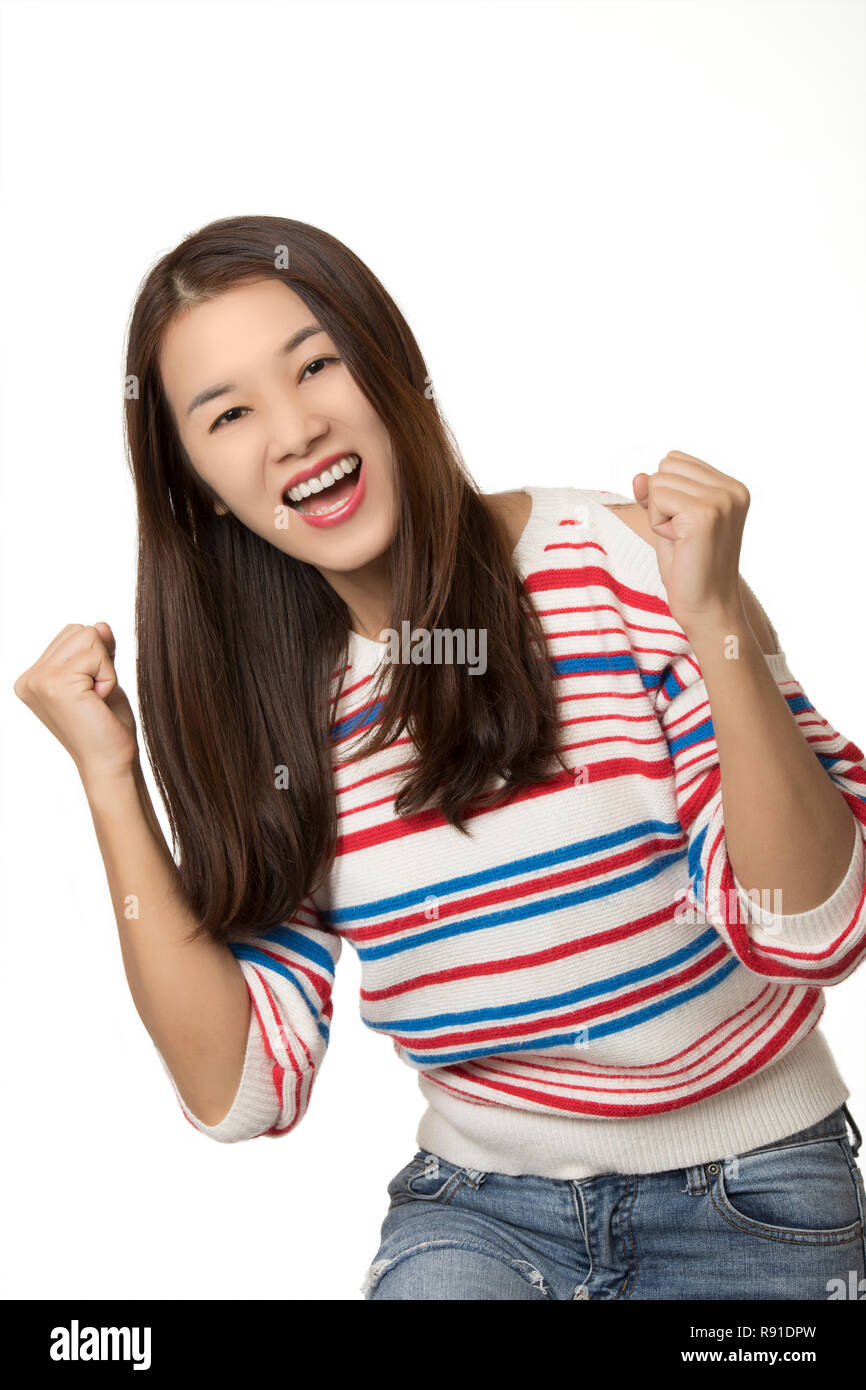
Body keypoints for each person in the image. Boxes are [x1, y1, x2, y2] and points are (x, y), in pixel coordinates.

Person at [14, 215, 866, 1301]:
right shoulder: (269, 710)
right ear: (196, 488)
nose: (293, 431)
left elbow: (815, 927)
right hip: (481, 1215)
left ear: (393, 365)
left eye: (316, 363)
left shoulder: (620, 560)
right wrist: (107, 774)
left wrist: (714, 621)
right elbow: (240, 1090)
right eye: (229, 414)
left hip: (755, 1195)